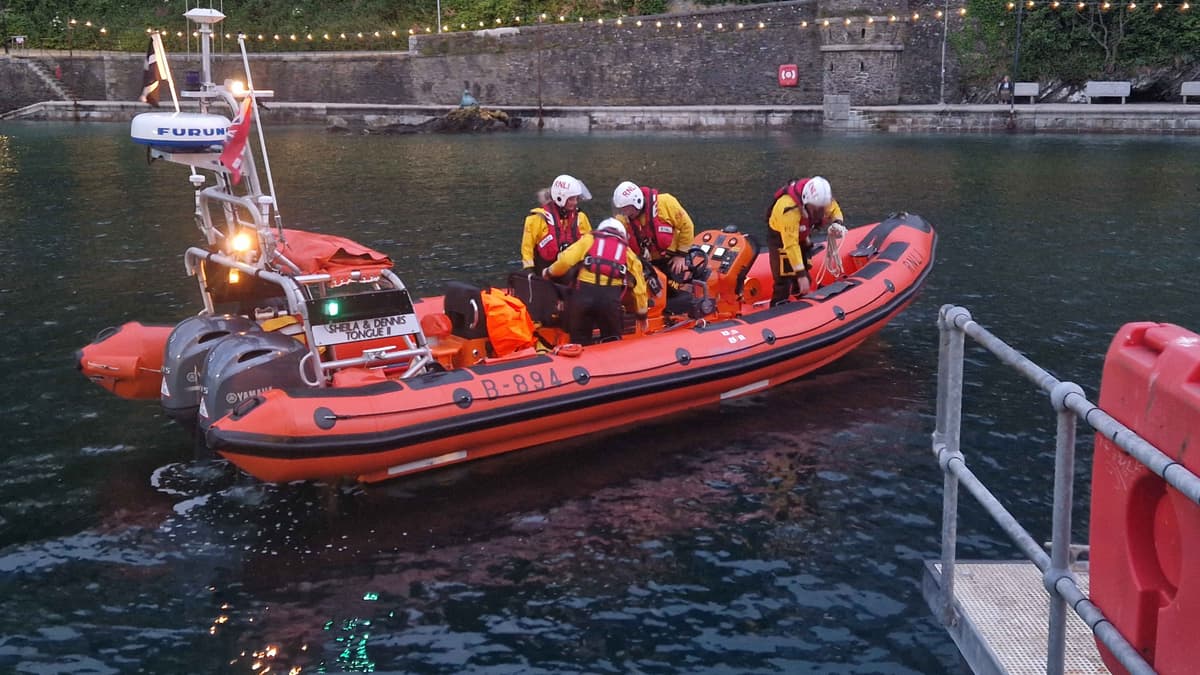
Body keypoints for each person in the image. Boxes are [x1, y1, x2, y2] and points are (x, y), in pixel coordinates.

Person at [543, 218, 648, 345]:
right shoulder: (627, 252)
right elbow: (640, 288)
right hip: (609, 301)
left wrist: (549, 272)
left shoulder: (589, 240)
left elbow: (565, 260)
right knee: (612, 341)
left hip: (582, 296)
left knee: (579, 340)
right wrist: (642, 314)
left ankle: (578, 359)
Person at [766, 176, 844, 306]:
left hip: (802, 234)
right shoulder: (789, 209)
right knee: (783, 279)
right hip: (781, 237)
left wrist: (837, 222)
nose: (820, 212)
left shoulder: (821, 199)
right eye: (816, 208)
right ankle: (777, 307)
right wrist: (800, 275)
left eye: (822, 208)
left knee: (805, 269)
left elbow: (834, 208)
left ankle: (800, 299)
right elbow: (790, 244)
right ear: (806, 202)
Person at [611, 181, 695, 279]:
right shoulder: (623, 220)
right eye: (620, 209)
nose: (623, 213)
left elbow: (687, 226)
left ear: (636, 203)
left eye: (625, 209)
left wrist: (681, 256)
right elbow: (614, 237)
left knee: (673, 288)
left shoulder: (666, 203)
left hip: (672, 257)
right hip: (647, 262)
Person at [520, 174, 593, 273]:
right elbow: (527, 248)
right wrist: (529, 270)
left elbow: (590, 244)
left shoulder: (580, 218)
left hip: (572, 273)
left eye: (576, 198)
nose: (575, 202)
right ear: (560, 198)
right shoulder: (537, 219)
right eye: (571, 199)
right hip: (544, 273)